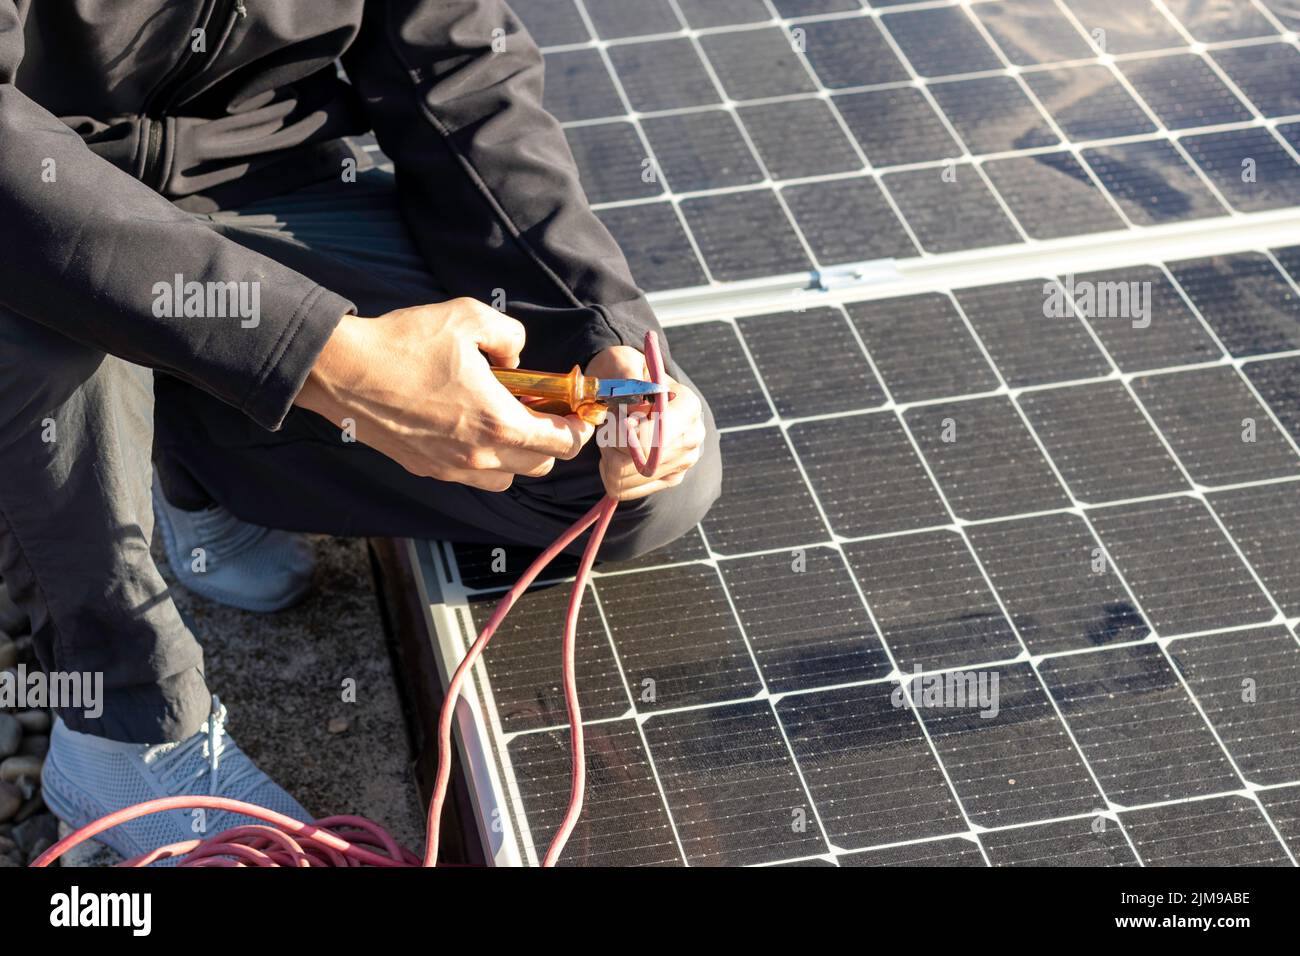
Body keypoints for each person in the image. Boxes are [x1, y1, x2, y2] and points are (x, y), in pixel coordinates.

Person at [0, 0, 719, 860]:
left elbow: (463, 71)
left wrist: (590, 328)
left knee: (631, 483)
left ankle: (187, 451)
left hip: (272, 197)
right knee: (30, 305)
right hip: (37, 211)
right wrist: (332, 363)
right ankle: (123, 733)